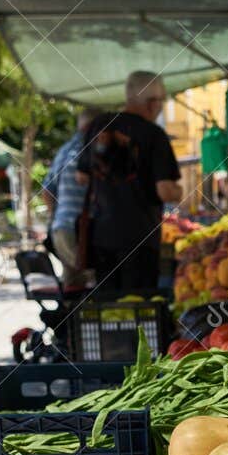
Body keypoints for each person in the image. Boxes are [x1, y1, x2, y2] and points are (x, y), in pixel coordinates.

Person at [77, 71, 183, 292]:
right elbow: (165, 191)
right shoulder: (153, 135)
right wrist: (178, 192)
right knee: (139, 308)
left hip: (102, 238)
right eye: (161, 101)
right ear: (152, 103)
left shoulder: (98, 125)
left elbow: (82, 177)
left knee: (109, 308)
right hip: (140, 240)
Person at [41, 108, 99, 290]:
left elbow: (46, 191)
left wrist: (56, 218)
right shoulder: (92, 149)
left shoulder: (65, 150)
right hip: (80, 230)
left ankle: (71, 318)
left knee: (72, 286)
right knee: (93, 284)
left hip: (61, 228)